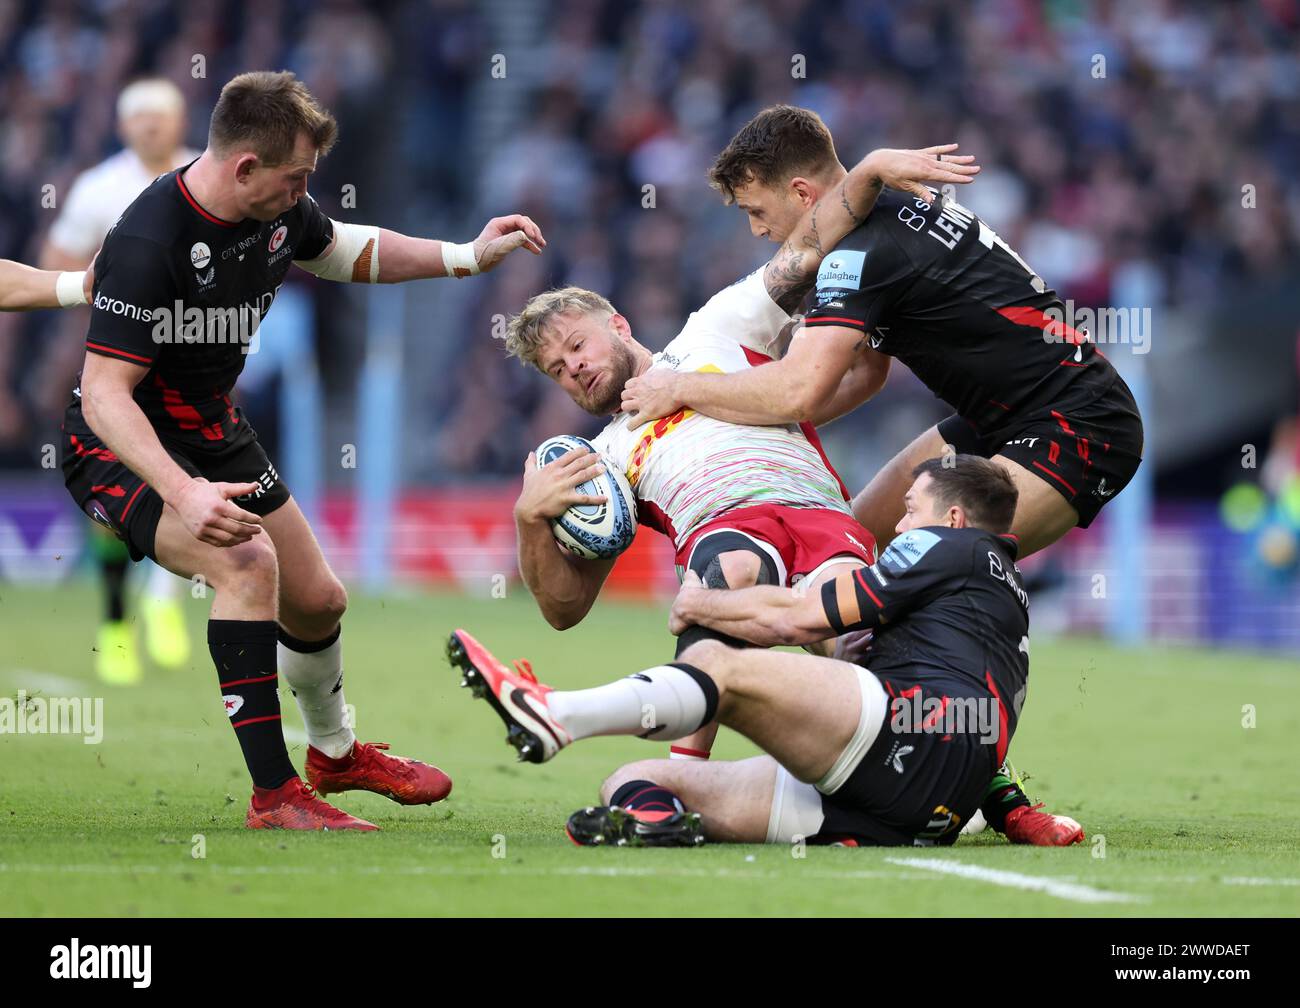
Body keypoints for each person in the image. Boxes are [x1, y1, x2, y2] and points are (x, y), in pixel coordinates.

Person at [60, 70, 545, 830]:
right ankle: (274, 796)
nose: (304, 191)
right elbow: (104, 394)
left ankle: (335, 754)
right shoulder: (150, 238)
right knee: (247, 567)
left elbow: (348, 249)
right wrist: (183, 493)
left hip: (213, 429)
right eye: (297, 178)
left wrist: (464, 257)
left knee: (318, 600)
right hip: (120, 446)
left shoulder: (276, 211)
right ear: (245, 166)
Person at [504, 140, 978, 765]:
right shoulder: (601, 460)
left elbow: (807, 247)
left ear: (617, 323)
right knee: (730, 574)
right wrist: (529, 521)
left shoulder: (715, 327)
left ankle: (966, 780)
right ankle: (677, 781)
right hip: (724, 528)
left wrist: (868, 174)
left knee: (861, 634)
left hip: (822, 516)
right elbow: (565, 611)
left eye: (577, 345)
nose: (575, 368)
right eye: (557, 369)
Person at [449, 455, 1081, 848]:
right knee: (638, 779)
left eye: (910, 511)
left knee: (721, 666)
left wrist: (701, 607)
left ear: (952, 518)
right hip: (913, 811)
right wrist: (1016, 811)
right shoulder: (995, 593)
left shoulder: (950, 548)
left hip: (902, 743)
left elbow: (802, 618)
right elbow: (977, 718)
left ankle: (555, 714)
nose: (897, 527)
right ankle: (655, 825)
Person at [621, 105, 1144, 559]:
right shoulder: (888, 215)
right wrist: (756, 429)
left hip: (1077, 421)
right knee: (852, 547)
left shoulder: (857, 256)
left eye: (757, 211)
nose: (757, 230)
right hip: (997, 418)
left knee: (927, 572)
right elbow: (865, 375)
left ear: (802, 193)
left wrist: (681, 389)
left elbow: (798, 390)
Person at [43, 79, 201, 684]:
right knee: (108, 502)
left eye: (159, 117)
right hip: (116, 363)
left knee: (188, 479)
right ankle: (115, 623)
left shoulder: (201, 178)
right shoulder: (99, 188)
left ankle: (161, 604)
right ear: (122, 126)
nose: (150, 127)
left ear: (178, 120)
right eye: (138, 117)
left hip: (190, 359)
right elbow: (57, 261)